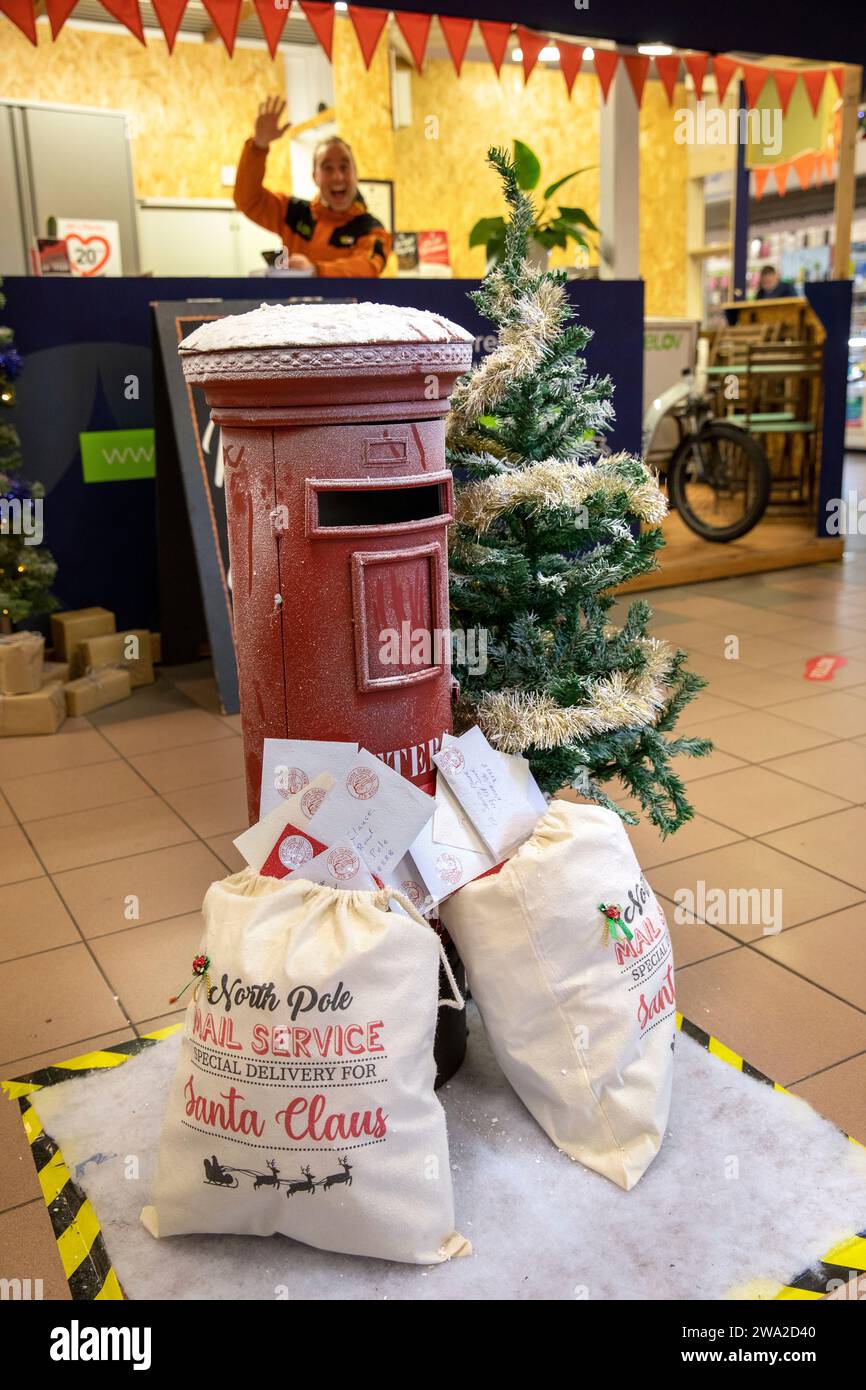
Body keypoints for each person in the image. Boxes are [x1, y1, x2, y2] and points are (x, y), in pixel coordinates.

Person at [233, 95, 391, 278]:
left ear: (356, 175)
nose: (337, 176)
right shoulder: (293, 213)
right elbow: (247, 200)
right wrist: (258, 147)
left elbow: (368, 267)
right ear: (315, 177)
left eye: (344, 167)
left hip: (346, 307)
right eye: (327, 168)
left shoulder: (372, 229)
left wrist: (315, 271)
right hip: (294, 306)